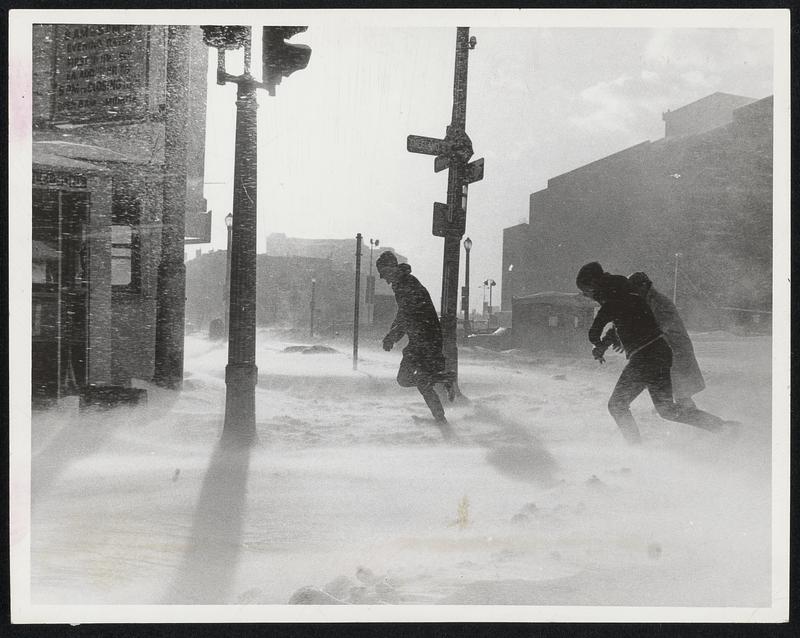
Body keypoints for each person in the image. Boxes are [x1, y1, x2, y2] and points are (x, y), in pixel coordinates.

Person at [576, 261, 729, 444]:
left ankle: (635, 449)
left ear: (593, 284)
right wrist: (614, 339)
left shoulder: (633, 298)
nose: (588, 296)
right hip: (659, 355)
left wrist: (598, 340)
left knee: (617, 405)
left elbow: (610, 315)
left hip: (652, 357)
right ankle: (721, 428)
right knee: (667, 409)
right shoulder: (629, 295)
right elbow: (622, 318)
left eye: (586, 291)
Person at [376, 251, 452, 423]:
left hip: (425, 339)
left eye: (384, 273)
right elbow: (404, 314)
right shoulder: (404, 283)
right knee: (416, 379)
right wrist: (392, 335)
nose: (384, 279)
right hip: (423, 338)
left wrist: (392, 337)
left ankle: (440, 415)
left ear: (391, 268)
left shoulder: (406, 284)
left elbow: (406, 314)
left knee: (408, 378)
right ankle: (440, 411)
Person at [627, 271, 705, 408]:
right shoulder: (650, 301)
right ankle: (687, 417)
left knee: (681, 393)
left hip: (675, 352)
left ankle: (706, 423)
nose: (634, 294)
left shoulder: (658, 303)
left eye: (635, 289)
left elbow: (657, 328)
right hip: (669, 353)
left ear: (644, 286)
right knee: (678, 392)